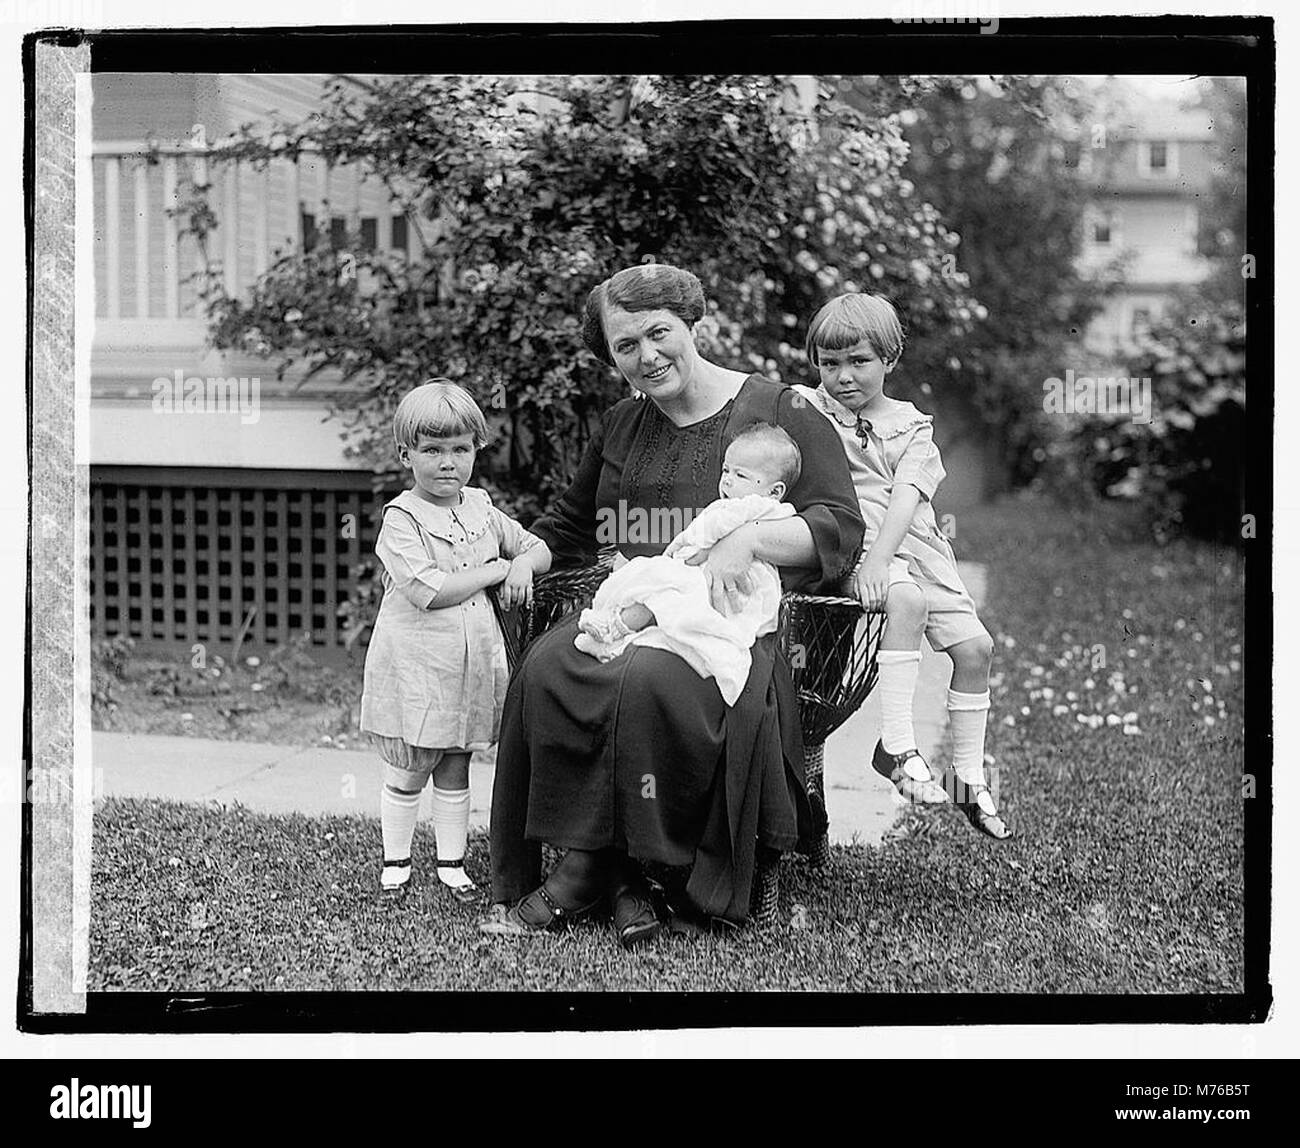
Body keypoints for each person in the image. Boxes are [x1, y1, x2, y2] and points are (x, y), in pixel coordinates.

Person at [482, 263, 864, 948]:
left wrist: (748, 539)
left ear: (695, 325)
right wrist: (522, 559)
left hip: (728, 624)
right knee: (549, 664)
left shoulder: (783, 409)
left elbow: (839, 523)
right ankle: (619, 870)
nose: (646, 356)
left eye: (658, 333)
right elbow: (569, 526)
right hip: (637, 608)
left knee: (651, 677)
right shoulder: (623, 424)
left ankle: (596, 870)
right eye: (625, 347)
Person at [794, 293, 1012, 839]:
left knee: (976, 648)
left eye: (859, 362)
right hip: (854, 544)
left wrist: (887, 559)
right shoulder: (807, 408)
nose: (843, 377)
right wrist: (873, 564)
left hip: (911, 544)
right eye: (830, 363)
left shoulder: (913, 426)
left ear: (890, 359)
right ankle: (895, 744)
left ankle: (967, 776)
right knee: (906, 601)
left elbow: (908, 498)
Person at [360, 380, 552, 902]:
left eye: (461, 449)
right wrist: (495, 570)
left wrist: (520, 567)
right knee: (410, 762)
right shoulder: (401, 519)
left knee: (455, 760)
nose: (449, 463)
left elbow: (537, 548)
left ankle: (451, 863)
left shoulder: (481, 509)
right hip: (418, 662)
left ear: (475, 450)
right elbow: (430, 590)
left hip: (470, 662)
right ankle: (396, 861)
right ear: (407, 454)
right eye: (433, 450)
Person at [573, 422, 801, 706]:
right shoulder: (750, 507)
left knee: (660, 585)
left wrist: (679, 549)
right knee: (663, 591)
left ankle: (617, 627)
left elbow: (709, 530)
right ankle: (618, 636)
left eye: (741, 474)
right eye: (726, 471)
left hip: (735, 590)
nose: (727, 481)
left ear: (775, 490)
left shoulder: (757, 508)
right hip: (714, 581)